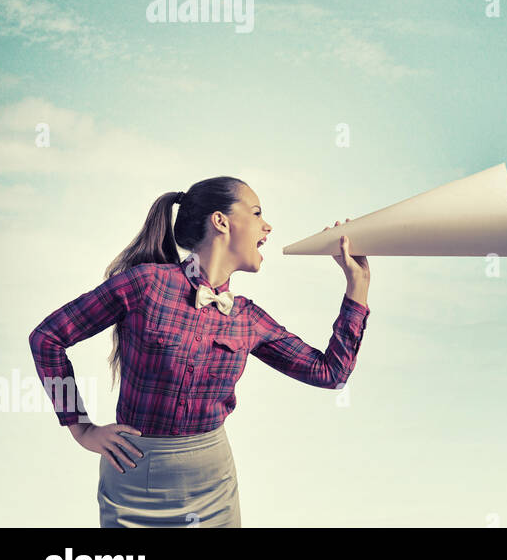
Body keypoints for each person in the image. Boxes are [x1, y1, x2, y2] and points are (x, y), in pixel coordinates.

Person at [28, 176, 371, 527]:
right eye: (256, 213)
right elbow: (47, 339)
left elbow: (332, 374)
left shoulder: (248, 318)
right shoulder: (144, 284)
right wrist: (80, 427)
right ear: (221, 221)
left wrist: (357, 286)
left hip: (213, 485)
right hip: (133, 478)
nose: (267, 227)